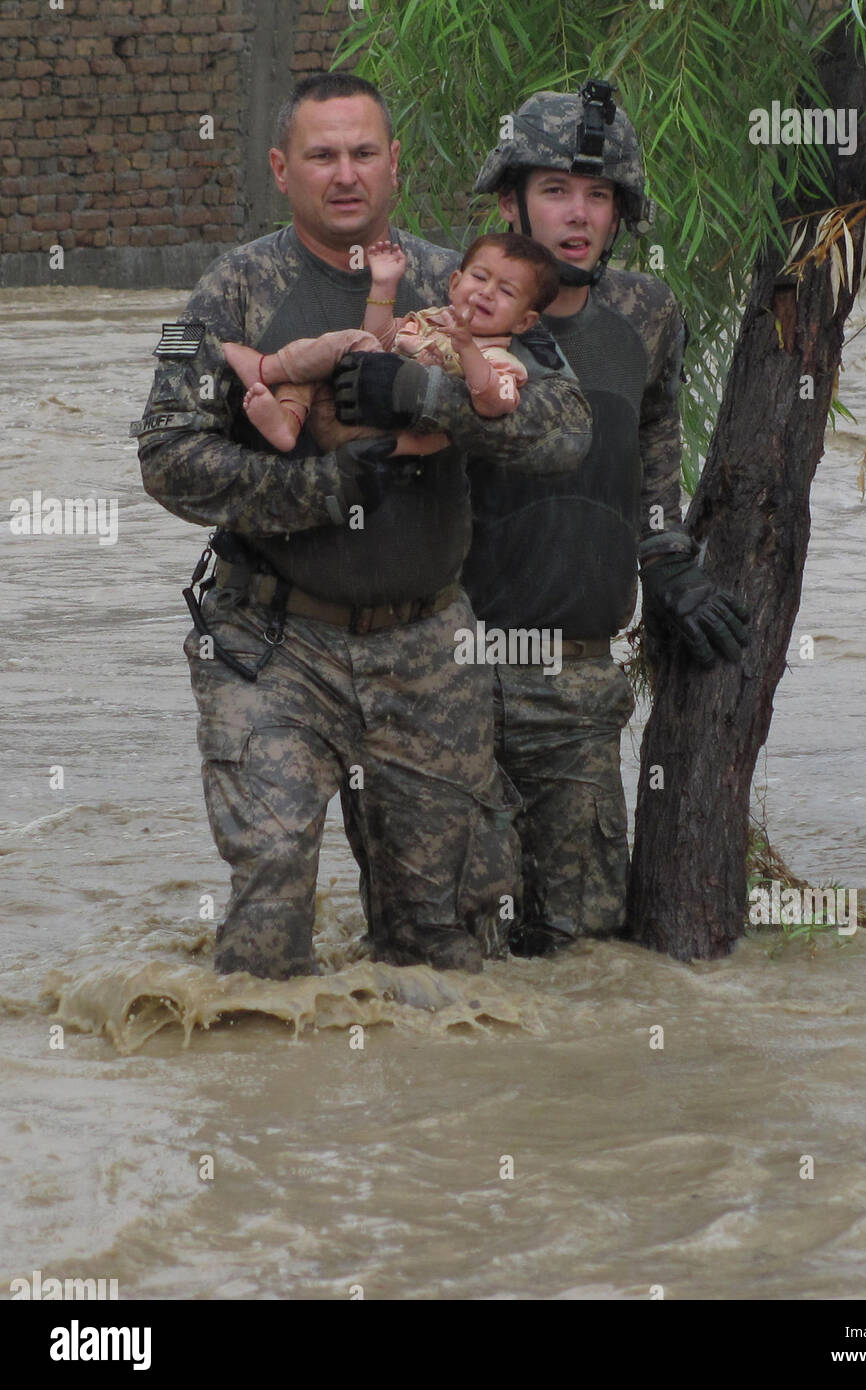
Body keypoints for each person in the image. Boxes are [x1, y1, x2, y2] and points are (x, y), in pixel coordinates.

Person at [131, 72, 591, 980]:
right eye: (322, 155)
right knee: (270, 899)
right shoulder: (225, 290)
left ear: (395, 168)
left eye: (364, 153)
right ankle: (264, 1100)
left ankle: (403, 1114)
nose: (345, 174)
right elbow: (165, 456)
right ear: (281, 168)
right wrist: (324, 482)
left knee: (437, 933)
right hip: (272, 640)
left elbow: (566, 432)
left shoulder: (466, 283)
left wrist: (428, 395)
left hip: (425, 646)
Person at [334, 80, 750, 956]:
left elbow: (656, 447)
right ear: (509, 202)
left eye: (599, 196)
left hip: (577, 682)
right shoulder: (450, 315)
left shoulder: (646, 313)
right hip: (448, 669)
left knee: (581, 952)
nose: (579, 215)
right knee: (443, 943)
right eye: (556, 191)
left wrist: (666, 554)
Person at [220, 230, 559, 452]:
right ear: (455, 283)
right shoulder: (428, 321)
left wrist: (468, 349)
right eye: (480, 277)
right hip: (336, 415)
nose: (486, 293)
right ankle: (286, 423)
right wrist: (384, 285)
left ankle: (265, 367)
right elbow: (381, 340)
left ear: (524, 320)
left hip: (386, 443)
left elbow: (493, 403)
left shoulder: (504, 361)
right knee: (312, 371)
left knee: (354, 341)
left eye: (506, 291)